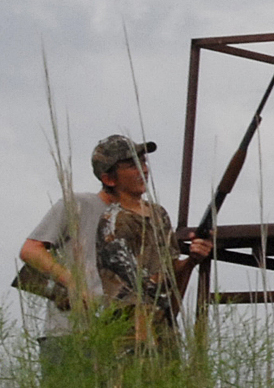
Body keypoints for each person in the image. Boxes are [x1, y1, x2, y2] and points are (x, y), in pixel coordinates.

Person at [16, 136, 211, 367]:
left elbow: (164, 275)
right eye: (131, 165)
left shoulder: (156, 216)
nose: (143, 170)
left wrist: (192, 260)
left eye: (143, 162)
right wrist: (74, 283)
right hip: (74, 335)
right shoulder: (78, 204)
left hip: (133, 340)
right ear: (108, 178)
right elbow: (31, 250)